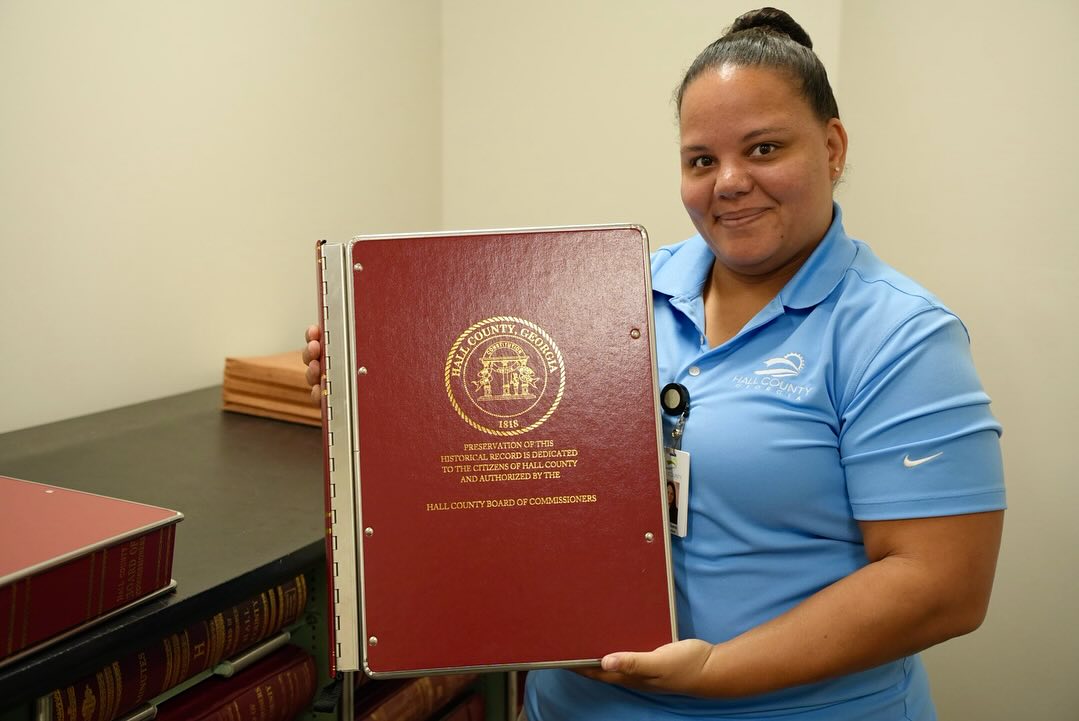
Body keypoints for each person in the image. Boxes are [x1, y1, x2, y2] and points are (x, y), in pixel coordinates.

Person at [303, 7, 1005, 720]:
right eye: (701, 159)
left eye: (763, 149)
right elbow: (496, 431)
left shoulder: (899, 334)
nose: (728, 181)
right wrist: (378, 372)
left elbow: (940, 584)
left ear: (831, 147)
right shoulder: (603, 295)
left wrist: (715, 670)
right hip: (574, 703)